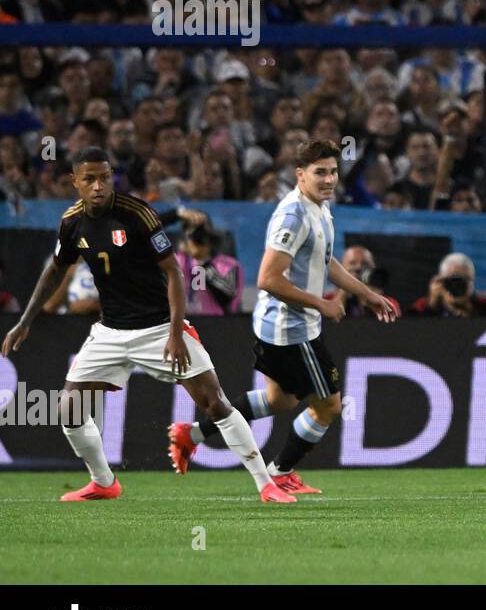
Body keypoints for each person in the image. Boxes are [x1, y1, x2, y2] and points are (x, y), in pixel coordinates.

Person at [1, 148, 294, 503]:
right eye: (89, 179)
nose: (98, 186)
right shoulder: (72, 222)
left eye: (104, 178)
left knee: (214, 402)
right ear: (74, 182)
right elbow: (57, 269)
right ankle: (104, 481)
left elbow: (173, 272)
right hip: (110, 331)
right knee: (69, 407)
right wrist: (25, 321)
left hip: (158, 327)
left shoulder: (137, 214)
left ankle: (266, 485)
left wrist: (174, 333)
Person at [167, 140, 399, 494]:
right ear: (300, 175)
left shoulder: (319, 208)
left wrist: (366, 294)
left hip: (279, 324)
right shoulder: (294, 215)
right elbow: (268, 278)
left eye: (333, 171)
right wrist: (320, 303)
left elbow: (323, 259)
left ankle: (191, 434)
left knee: (280, 401)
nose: (329, 179)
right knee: (329, 407)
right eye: (320, 172)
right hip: (292, 330)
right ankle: (280, 472)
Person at [174, 216, 245, 315]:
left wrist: (203, 262)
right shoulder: (181, 261)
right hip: (187, 322)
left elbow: (228, 297)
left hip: (216, 322)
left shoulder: (229, 265)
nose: (194, 241)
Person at [409, 253, 486, 316]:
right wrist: (432, 304)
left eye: (465, 279)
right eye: (453, 279)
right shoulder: (422, 306)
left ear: (473, 280)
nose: (458, 284)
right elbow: (412, 332)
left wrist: (470, 311)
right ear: (441, 280)